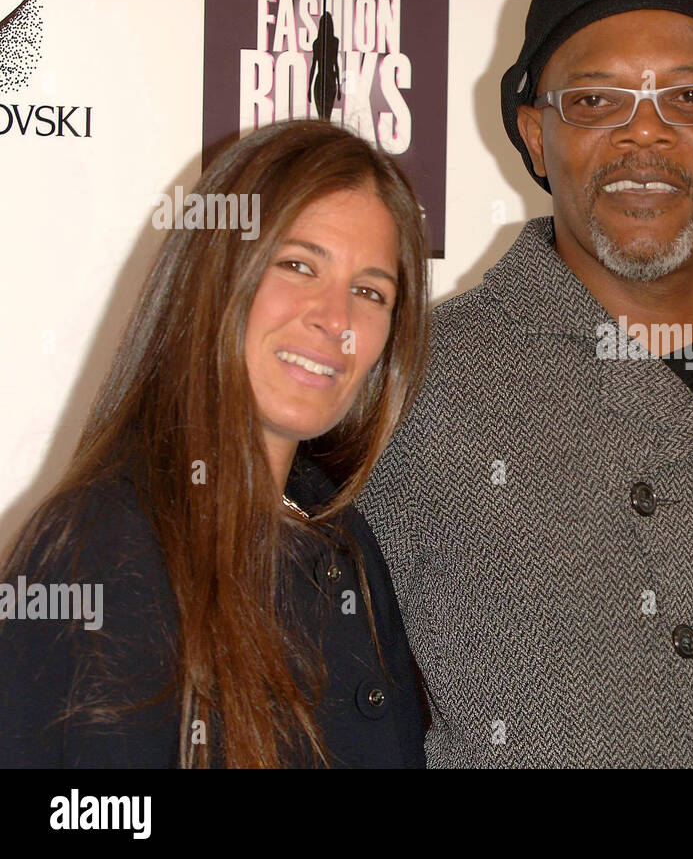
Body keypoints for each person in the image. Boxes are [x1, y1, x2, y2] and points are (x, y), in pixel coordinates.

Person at [359, 0, 693, 767]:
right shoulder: (420, 374)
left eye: (690, 98)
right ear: (535, 132)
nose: (645, 133)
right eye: (597, 101)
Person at [0, 120, 431, 768]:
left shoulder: (349, 549)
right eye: (297, 264)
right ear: (215, 274)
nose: (335, 320)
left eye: (370, 292)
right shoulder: (102, 546)